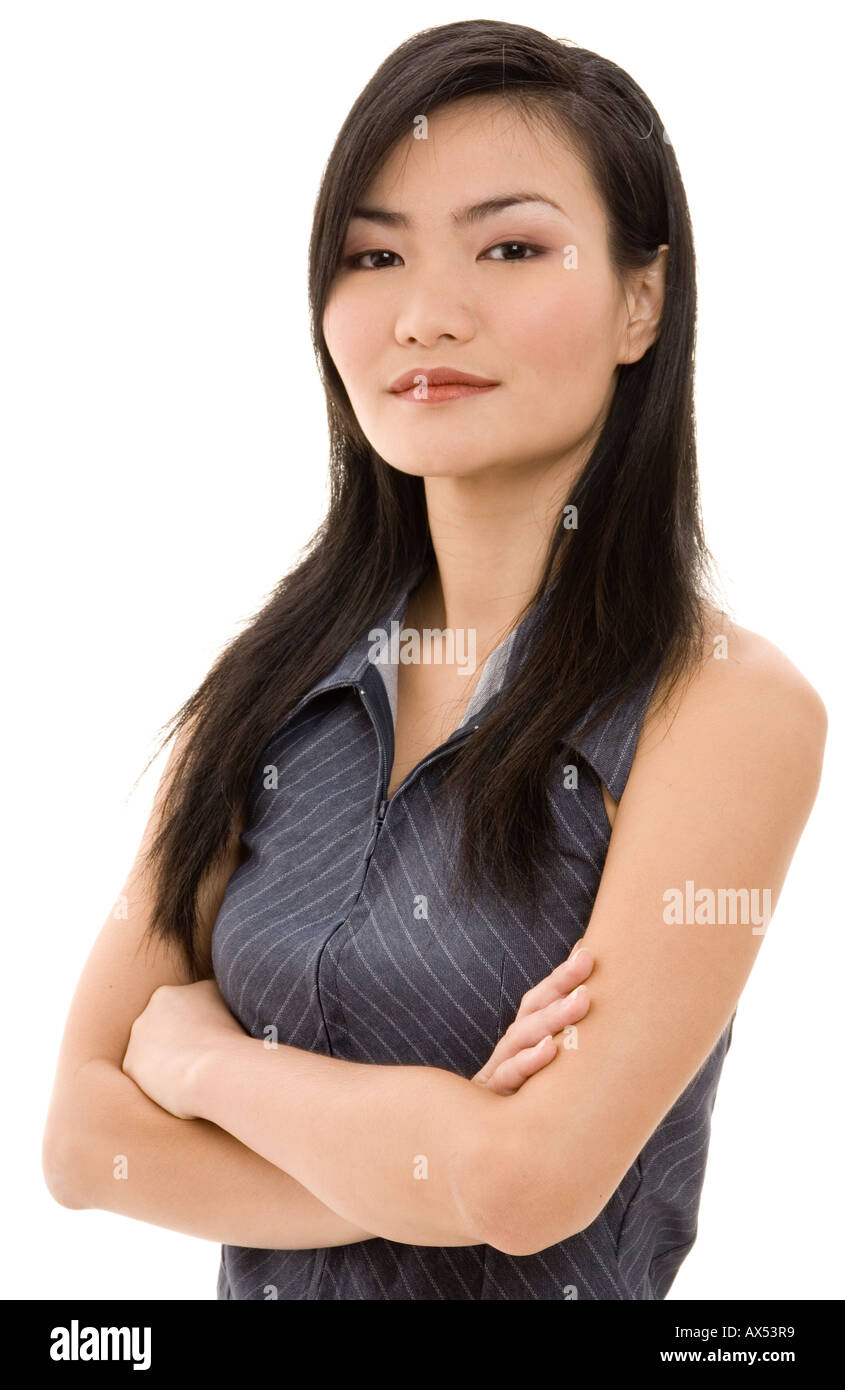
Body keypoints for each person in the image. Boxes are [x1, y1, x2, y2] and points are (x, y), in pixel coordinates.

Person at [43, 19, 827, 1300]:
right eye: (373, 254)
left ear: (644, 300)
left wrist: (200, 1067)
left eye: (510, 247)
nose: (423, 314)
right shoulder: (257, 696)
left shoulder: (721, 706)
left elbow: (530, 1188)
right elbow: (81, 1143)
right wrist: (448, 1148)